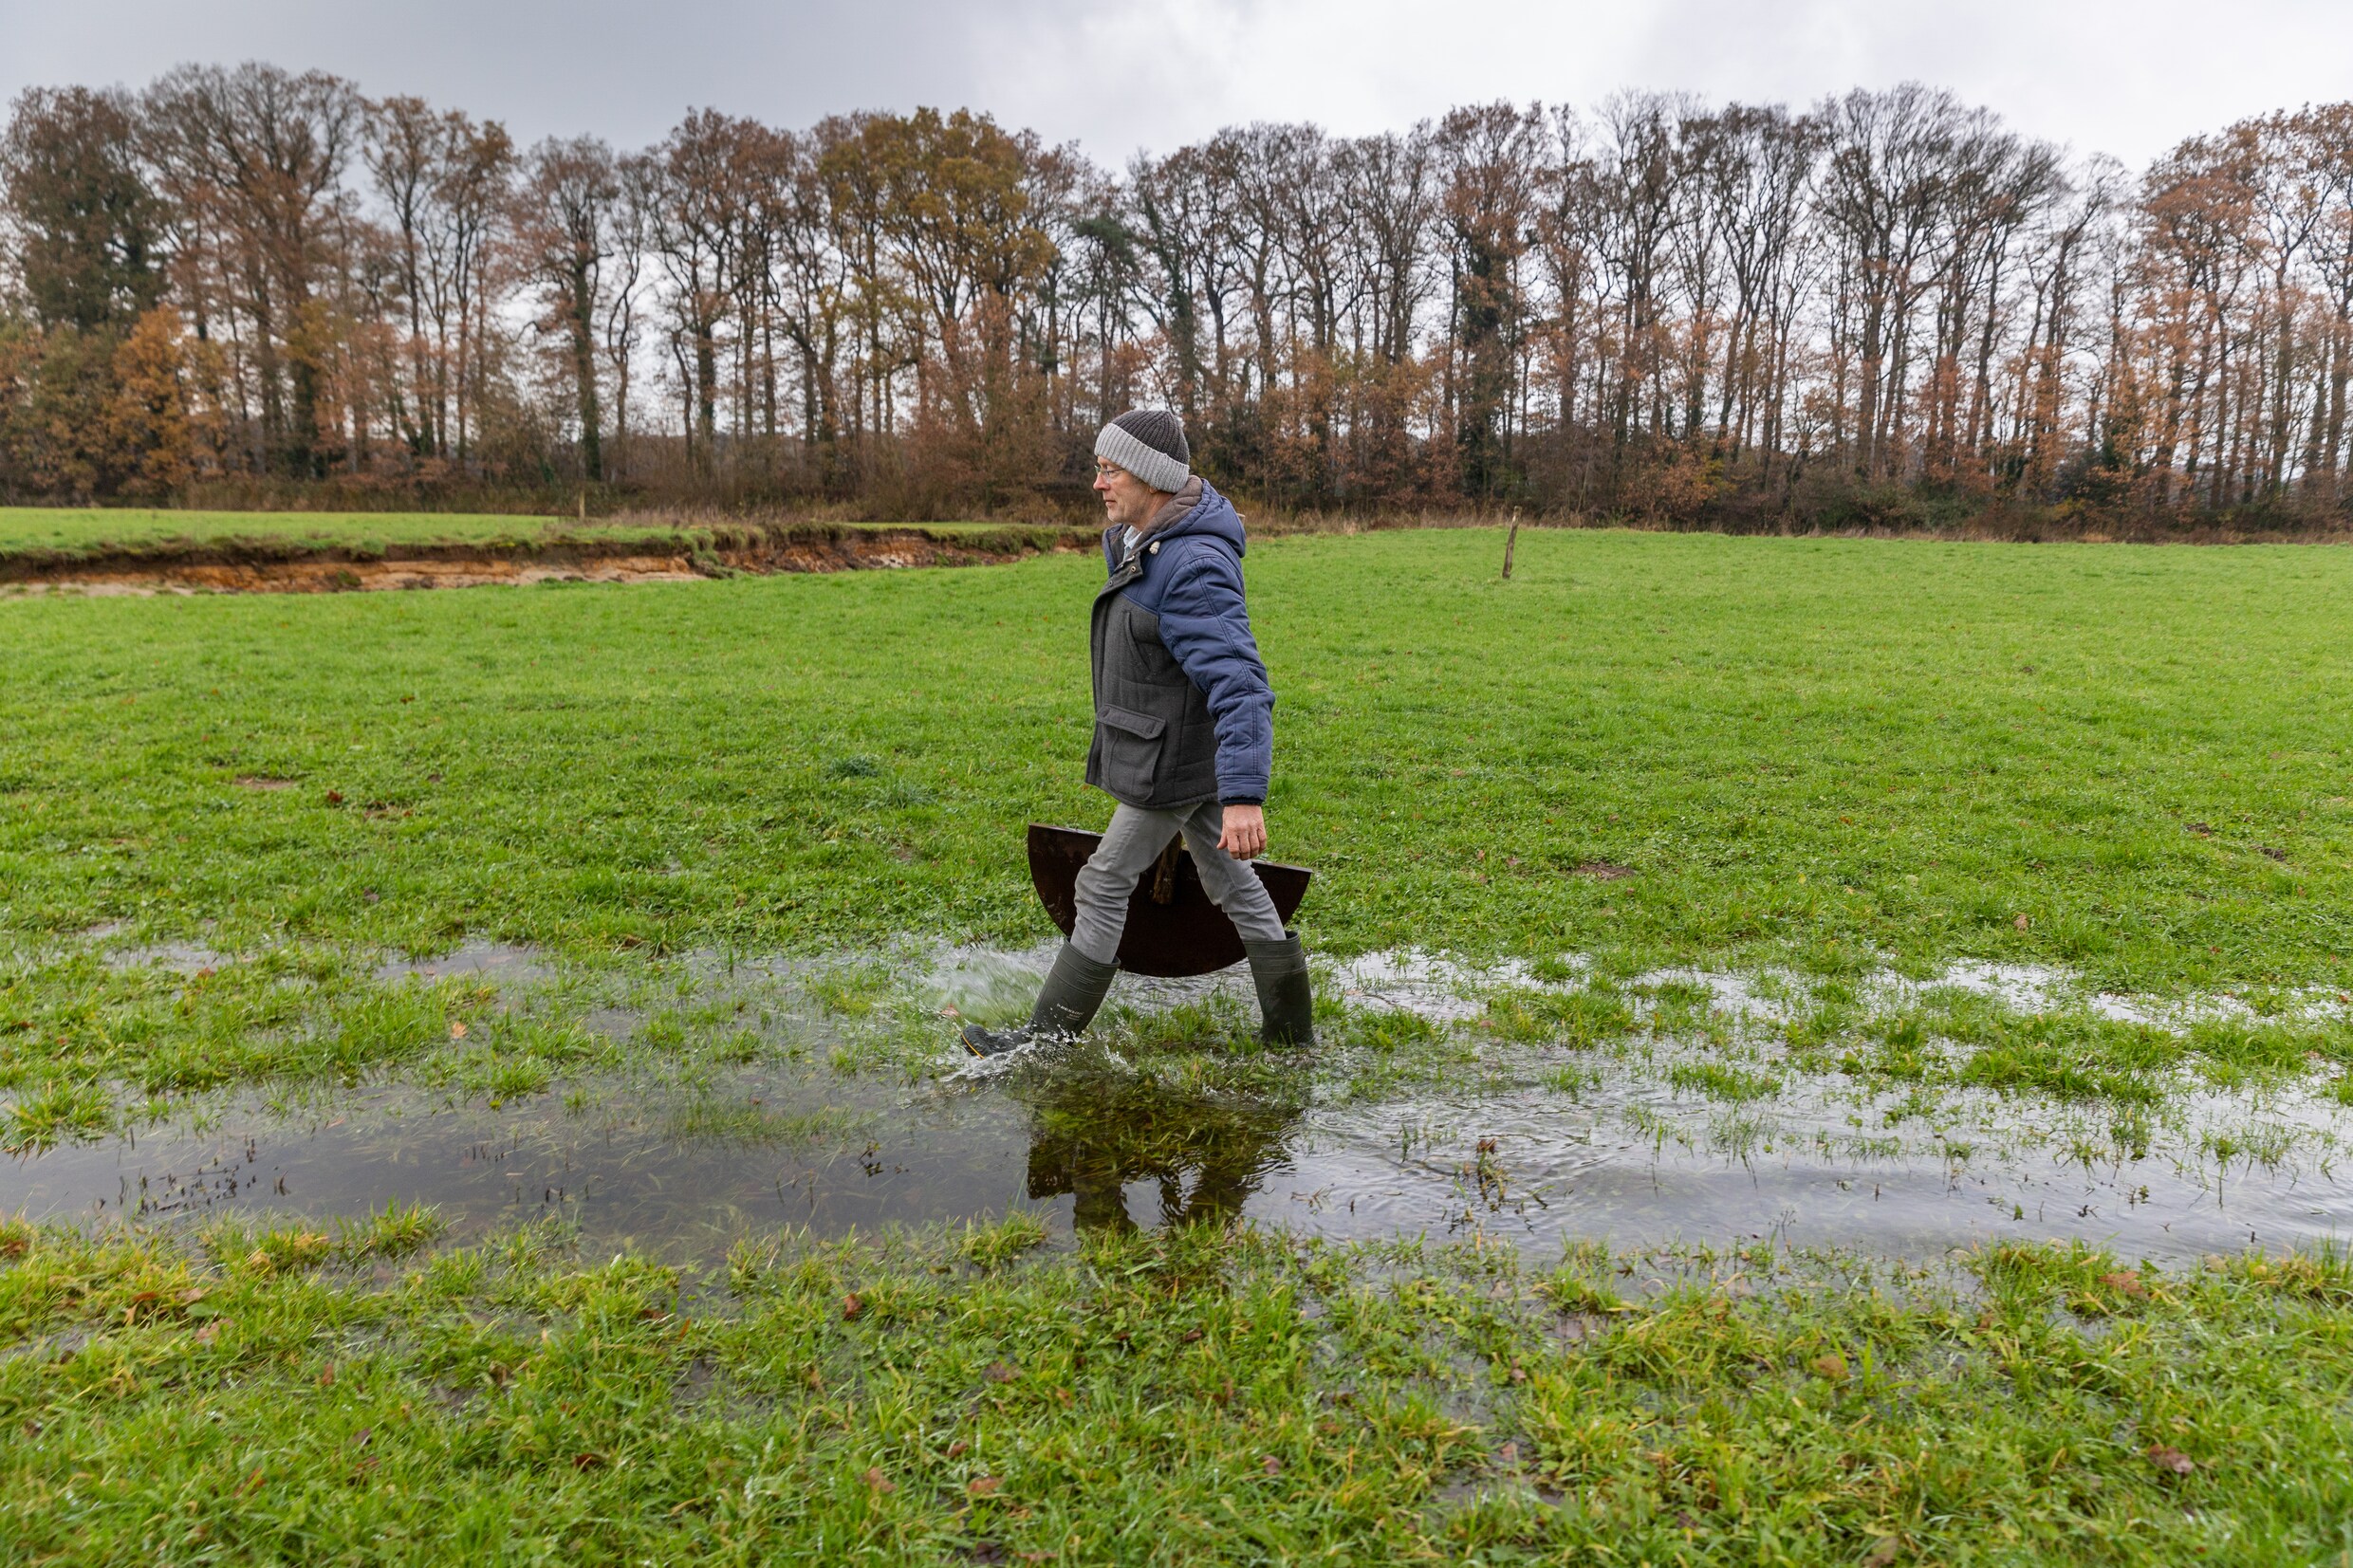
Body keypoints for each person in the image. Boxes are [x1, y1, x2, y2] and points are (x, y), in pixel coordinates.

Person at [960, 408, 1313, 1056]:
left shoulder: (1192, 566)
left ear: (1151, 478)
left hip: (1173, 763)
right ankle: (1292, 1038)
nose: (1098, 483)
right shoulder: (1141, 543)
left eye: (1110, 469)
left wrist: (1242, 796)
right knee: (1232, 882)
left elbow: (1241, 684)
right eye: (1098, 468)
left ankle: (1042, 1044)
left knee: (1101, 882)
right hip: (1175, 750)